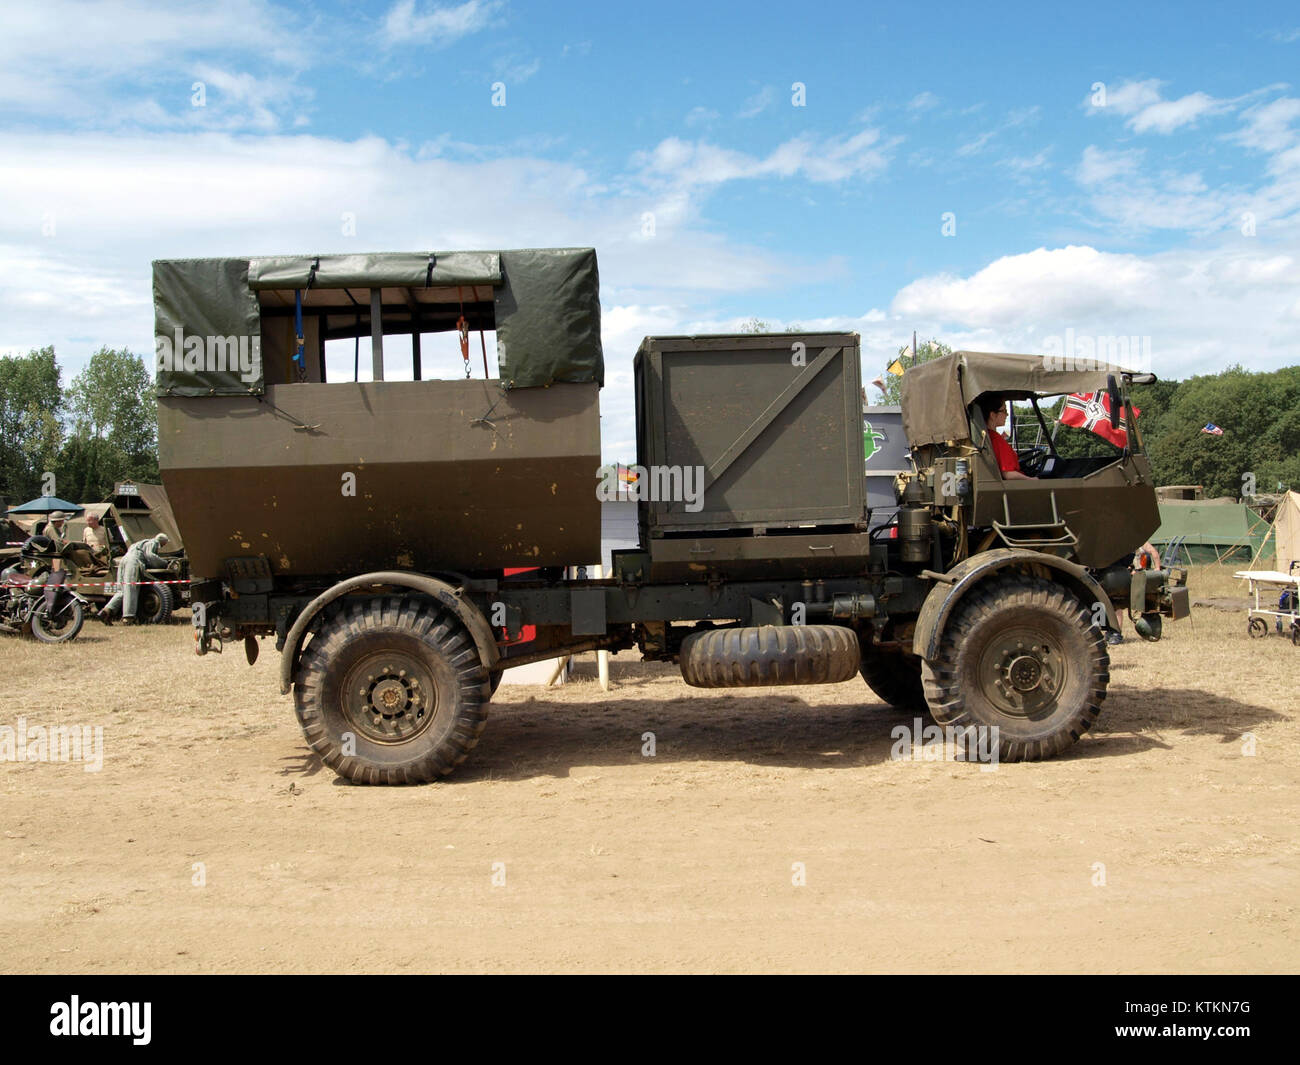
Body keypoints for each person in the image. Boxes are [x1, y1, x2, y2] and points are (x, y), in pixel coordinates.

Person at [98, 533, 171, 625]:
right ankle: (128, 618)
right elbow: (150, 556)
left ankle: (106, 611)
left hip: (124, 560)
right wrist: (165, 563)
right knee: (131, 589)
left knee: (122, 591)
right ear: (162, 541)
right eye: (164, 543)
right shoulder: (153, 543)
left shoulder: (140, 543)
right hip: (133, 562)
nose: (164, 545)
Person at [983, 396, 1035, 480]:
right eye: (1004, 411)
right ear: (992, 415)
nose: (1007, 414)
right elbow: (1008, 474)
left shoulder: (987, 437)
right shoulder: (996, 440)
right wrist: (1031, 480)